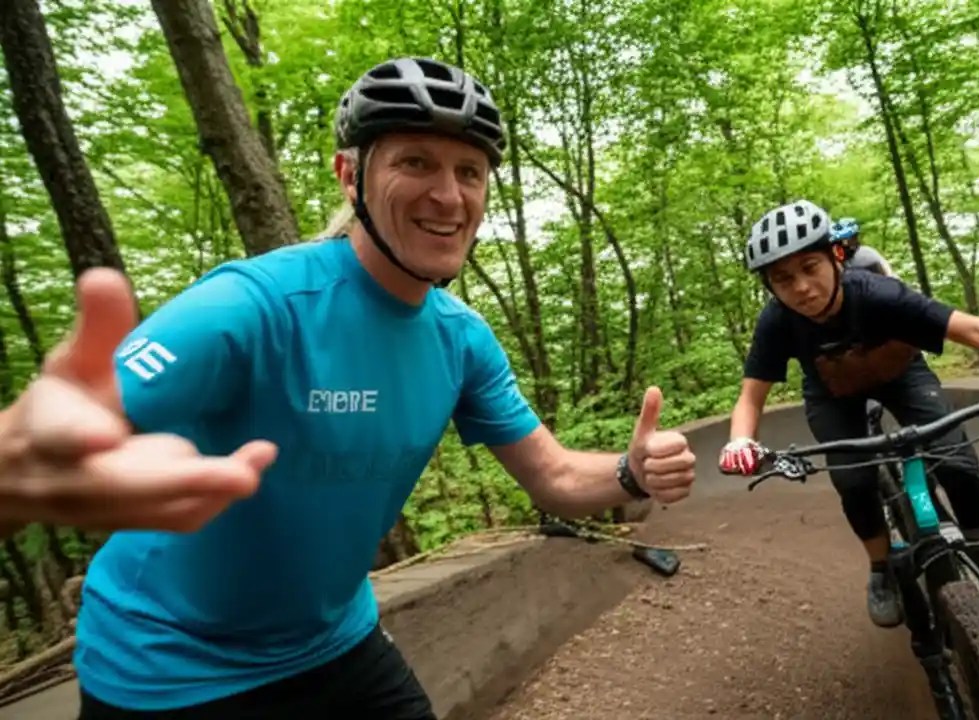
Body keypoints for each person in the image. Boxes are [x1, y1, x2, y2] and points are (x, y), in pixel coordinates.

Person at [0, 57, 698, 719]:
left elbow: (551, 475)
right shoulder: (250, 307)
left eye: (470, 171)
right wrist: (22, 460)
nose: (448, 195)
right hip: (167, 669)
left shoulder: (460, 339)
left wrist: (629, 473)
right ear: (349, 175)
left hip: (333, 645)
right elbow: (66, 433)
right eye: (415, 163)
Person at [718, 199, 979, 629]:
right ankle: (880, 570)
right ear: (771, 286)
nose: (802, 287)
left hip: (903, 375)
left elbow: (972, 329)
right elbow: (751, 397)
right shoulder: (776, 322)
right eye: (783, 279)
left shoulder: (880, 294)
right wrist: (741, 440)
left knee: (956, 459)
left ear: (836, 256)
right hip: (834, 394)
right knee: (853, 481)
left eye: (811, 266)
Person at [830, 216, 895, 278]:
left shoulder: (866, 255)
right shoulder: (840, 258)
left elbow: (887, 275)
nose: (845, 244)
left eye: (848, 239)